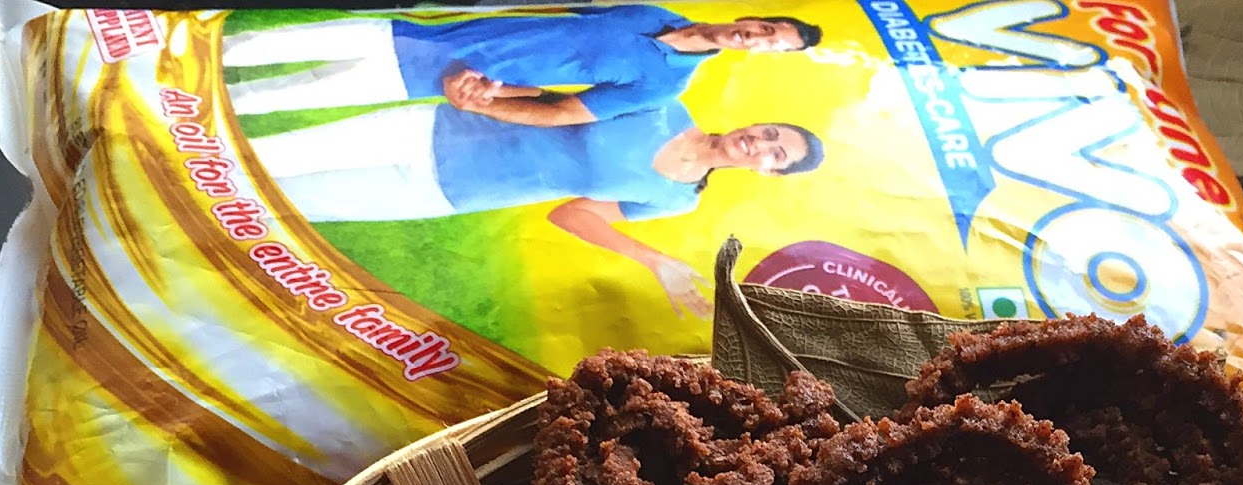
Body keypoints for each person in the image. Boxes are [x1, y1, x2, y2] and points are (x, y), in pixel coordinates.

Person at [249, 100, 824, 317]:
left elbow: (570, 215)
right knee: (248, 159)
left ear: (769, 171)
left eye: (775, 153)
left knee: (279, 208)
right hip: (434, 129)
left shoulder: (674, 198)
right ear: (757, 120)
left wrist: (656, 262)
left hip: (448, 192)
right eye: (770, 131)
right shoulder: (661, 107)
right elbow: (543, 94)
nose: (760, 142)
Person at [223, 8, 822, 120]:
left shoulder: (662, 85)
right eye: (768, 29)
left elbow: (564, 112)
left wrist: (487, 95)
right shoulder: (650, 9)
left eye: (771, 46)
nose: (757, 38)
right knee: (239, 49)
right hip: (415, 28)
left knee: (258, 97)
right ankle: (133, 52)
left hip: (423, 74)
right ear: (754, 17)